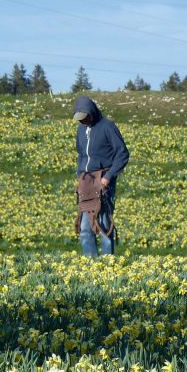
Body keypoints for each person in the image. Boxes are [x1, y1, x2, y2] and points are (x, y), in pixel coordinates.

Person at [73, 95, 129, 257]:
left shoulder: (107, 127)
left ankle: (107, 263)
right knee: (85, 227)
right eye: (79, 119)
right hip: (86, 182)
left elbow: (122, 153)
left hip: (104, 180)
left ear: (91, 112)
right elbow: (81, 154)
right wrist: (79, 175)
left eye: (84, 118)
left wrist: (109, 176)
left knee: (104, 224)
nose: (82, 121)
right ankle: (90, 265)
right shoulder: (81, 130)